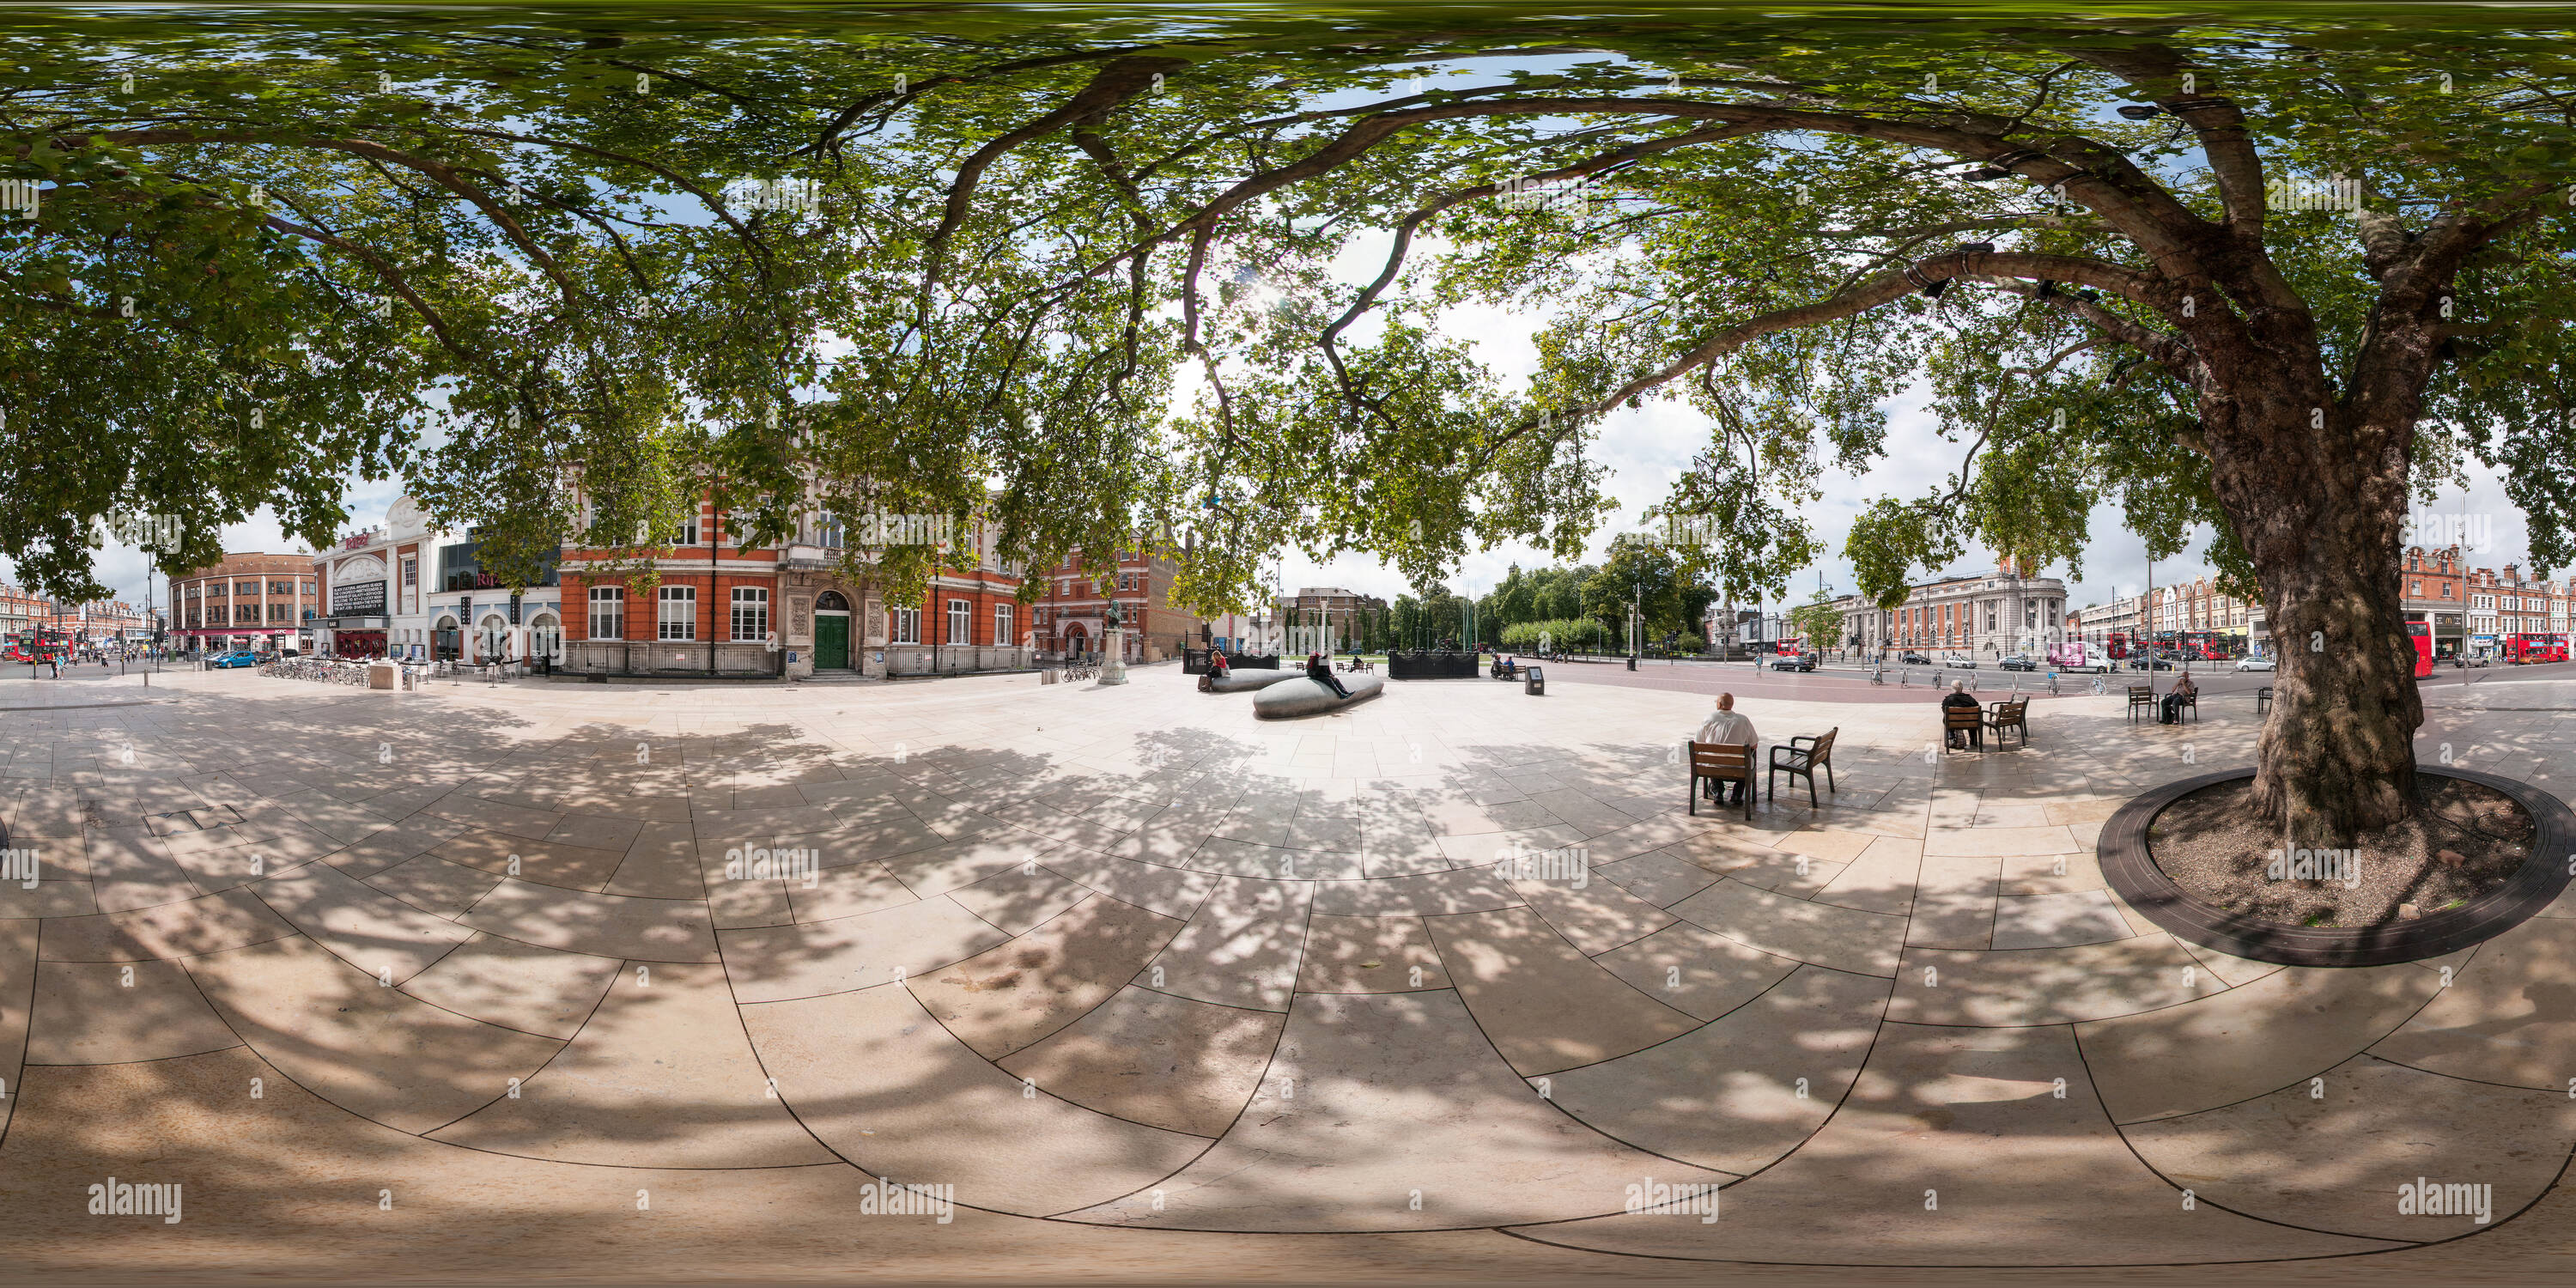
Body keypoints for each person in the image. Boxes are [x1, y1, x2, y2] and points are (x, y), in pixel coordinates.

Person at [1693, 694, 1759, 805]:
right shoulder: (1743, 720)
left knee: (1713, 759)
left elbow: (1697, 743)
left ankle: (1718, 792)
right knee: (1747, 758)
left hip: (1713, 768)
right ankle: (1737, 794)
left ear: (1719, 704)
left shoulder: (1708, 719)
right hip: (1739, 768)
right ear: (1732, 705)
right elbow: (1754, 745)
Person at [1941, 680, 1982, 749]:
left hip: (1953, 724)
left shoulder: (1948, 700)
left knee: (1947, 719)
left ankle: (1952, 738)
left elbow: (1944, 710)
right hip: (1970, 723)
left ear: (1952, 688)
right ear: (1962, 688)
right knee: (1972, 719)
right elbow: (1977, 706)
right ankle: (1973, 740)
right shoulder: (1970, 699)